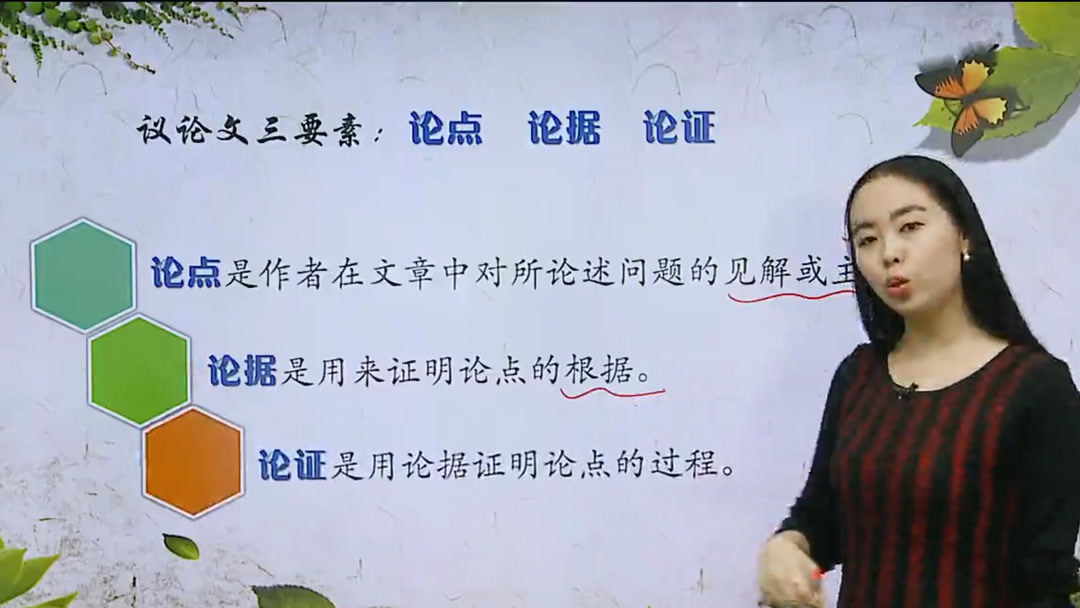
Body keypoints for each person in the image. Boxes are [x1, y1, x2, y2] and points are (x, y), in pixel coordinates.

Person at [756, 154, 1080, 608]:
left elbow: (1046, 583)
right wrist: (786, 547)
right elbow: (823, 518)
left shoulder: (1037, 388)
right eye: (867, 240)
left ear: (964, 234)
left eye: (909, 227)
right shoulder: (859, 375)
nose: (889, 253)